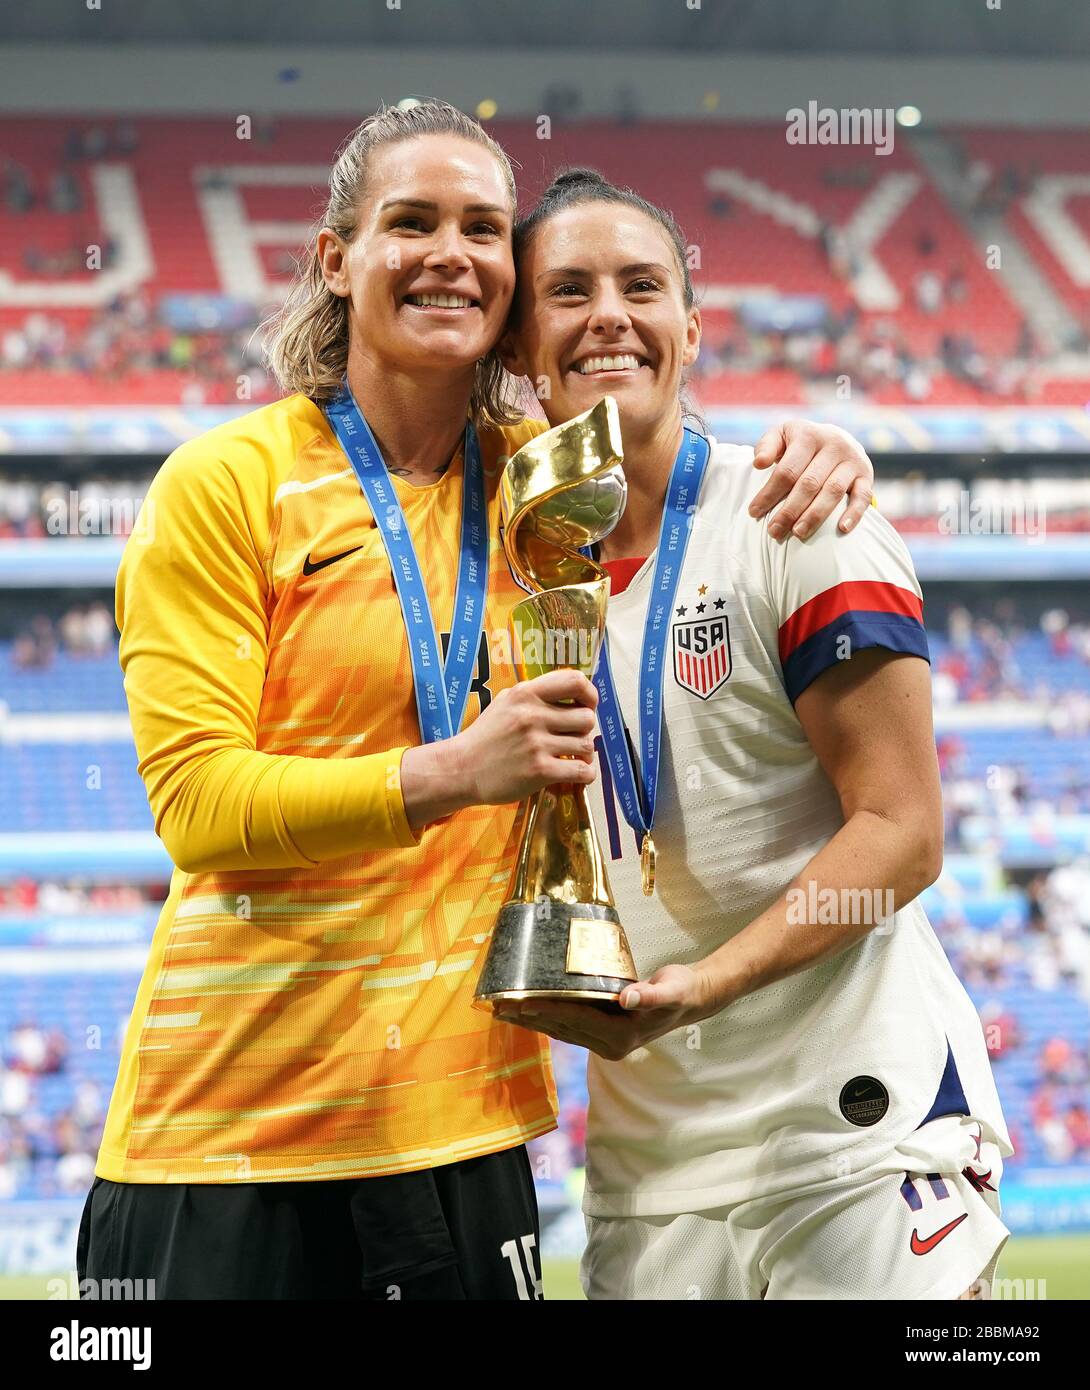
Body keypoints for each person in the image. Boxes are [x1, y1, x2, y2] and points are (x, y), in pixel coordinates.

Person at [77, 103, 874, 1301]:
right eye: (412, 222)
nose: (451, 251)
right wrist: (457, 770)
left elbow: (686, 460)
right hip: (229, 1135)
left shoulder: (551, 484)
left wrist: (819, 446)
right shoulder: (224, 484)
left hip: (466, 1133)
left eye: (483, 228)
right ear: (337, 259)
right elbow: (194, 804)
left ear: (508, 280)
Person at [495, 168, 1012, 1301]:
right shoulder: (501, 581)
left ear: (689, 328)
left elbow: (905, 830)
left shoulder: (797, 516)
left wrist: (706, 982)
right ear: (520, 344)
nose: (609, 316)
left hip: (853, 1133)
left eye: (642, 286)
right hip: (650, 1167)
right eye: (567, 291)